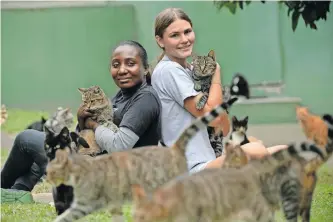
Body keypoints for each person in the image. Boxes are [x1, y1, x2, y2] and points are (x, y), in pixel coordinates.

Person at [1, 40, 162, 203]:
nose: (122, 70)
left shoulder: (145, 99)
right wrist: (82, 120)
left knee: (26, 139)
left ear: (146, 68)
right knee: (40, 154)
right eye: (115, 64)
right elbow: (87, 136)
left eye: (131, 63)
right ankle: (14, 193)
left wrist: (92, 124)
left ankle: (3, 187)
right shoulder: (122, 95)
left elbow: (118, 146)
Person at [151, 7, 287, 173]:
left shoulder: (188, 70)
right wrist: (215, 74)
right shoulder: (169, 70)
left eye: (188, 31)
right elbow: (214, 119)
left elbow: (223, 129)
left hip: (207, 160)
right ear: (160, 41)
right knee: (257, 150)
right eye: (175, 35)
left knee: (284, 151)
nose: (185, 39)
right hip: (189, 169)